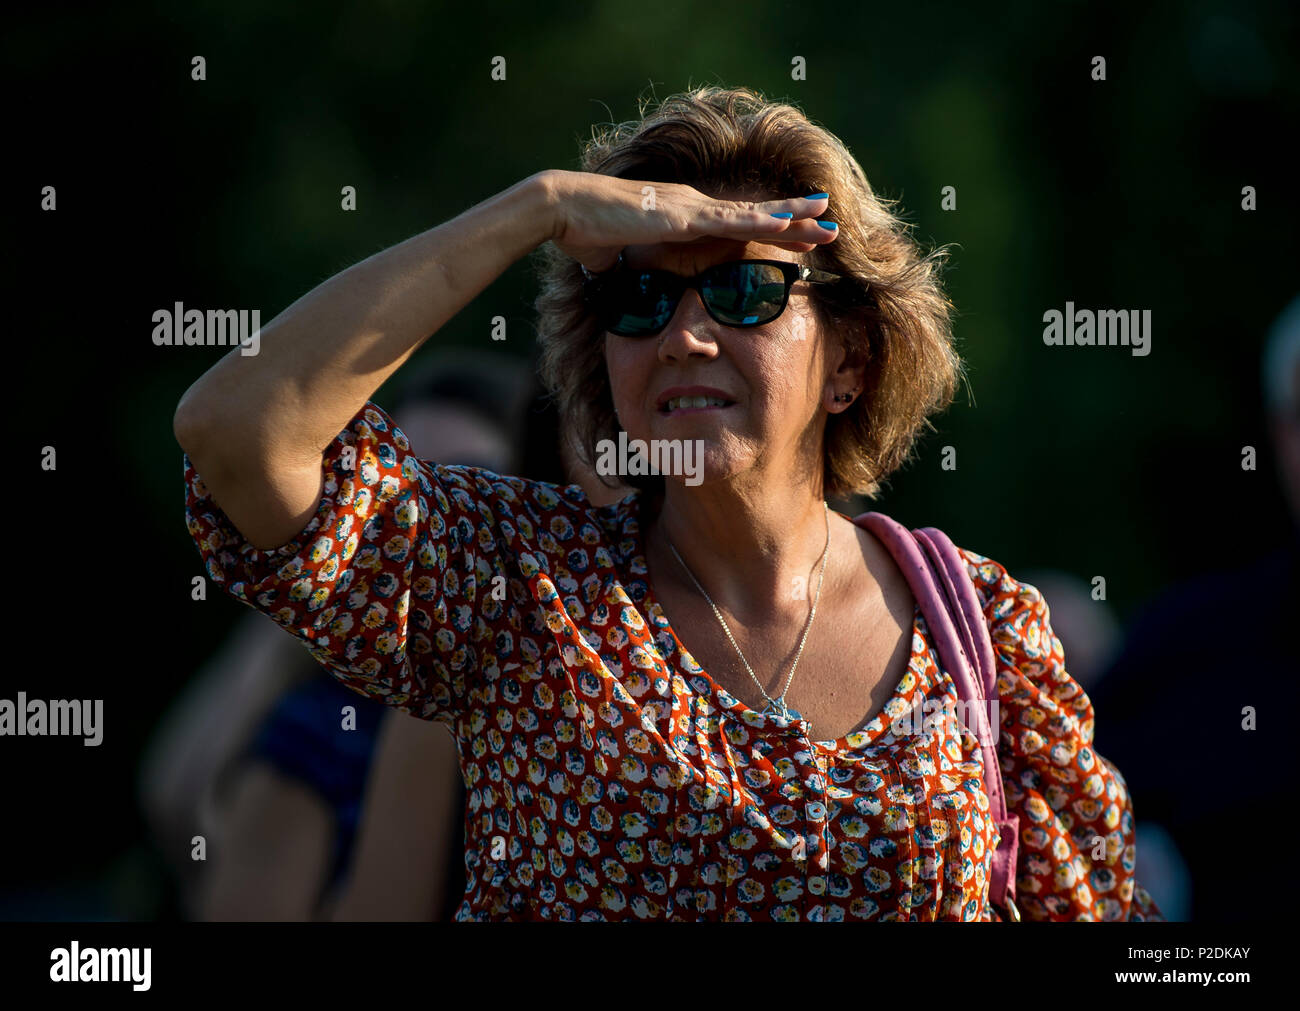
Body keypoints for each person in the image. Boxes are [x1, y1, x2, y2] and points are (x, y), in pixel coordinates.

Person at [174, 85, 1163, 921]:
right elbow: (235, 431)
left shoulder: (981, 628)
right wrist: (540, 209)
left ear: (850, 359)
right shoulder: (522, 588)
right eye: (640, 301)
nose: (684, 337)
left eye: (741, 292)